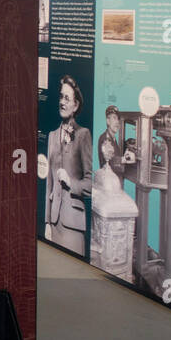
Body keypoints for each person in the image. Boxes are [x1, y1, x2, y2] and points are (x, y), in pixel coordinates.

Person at [45, 75, 93, 254]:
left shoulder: (83, 135)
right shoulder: (51, 136)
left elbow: (90, 183)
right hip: (54, 222)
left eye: (67, 98)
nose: (62, 102)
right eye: (61, 97)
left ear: (76, 105)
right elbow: (48, 182)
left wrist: (70, 182)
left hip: (73, 223)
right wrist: (47, 222)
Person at [97, 105, 126, 183]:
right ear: (108, 121)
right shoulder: (105, 138)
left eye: (118, 119)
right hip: (108, 184)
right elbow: (109, 162)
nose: (117, 122)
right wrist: (122, 159)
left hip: (114, 182)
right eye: (114, 118)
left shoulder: (113, 139)